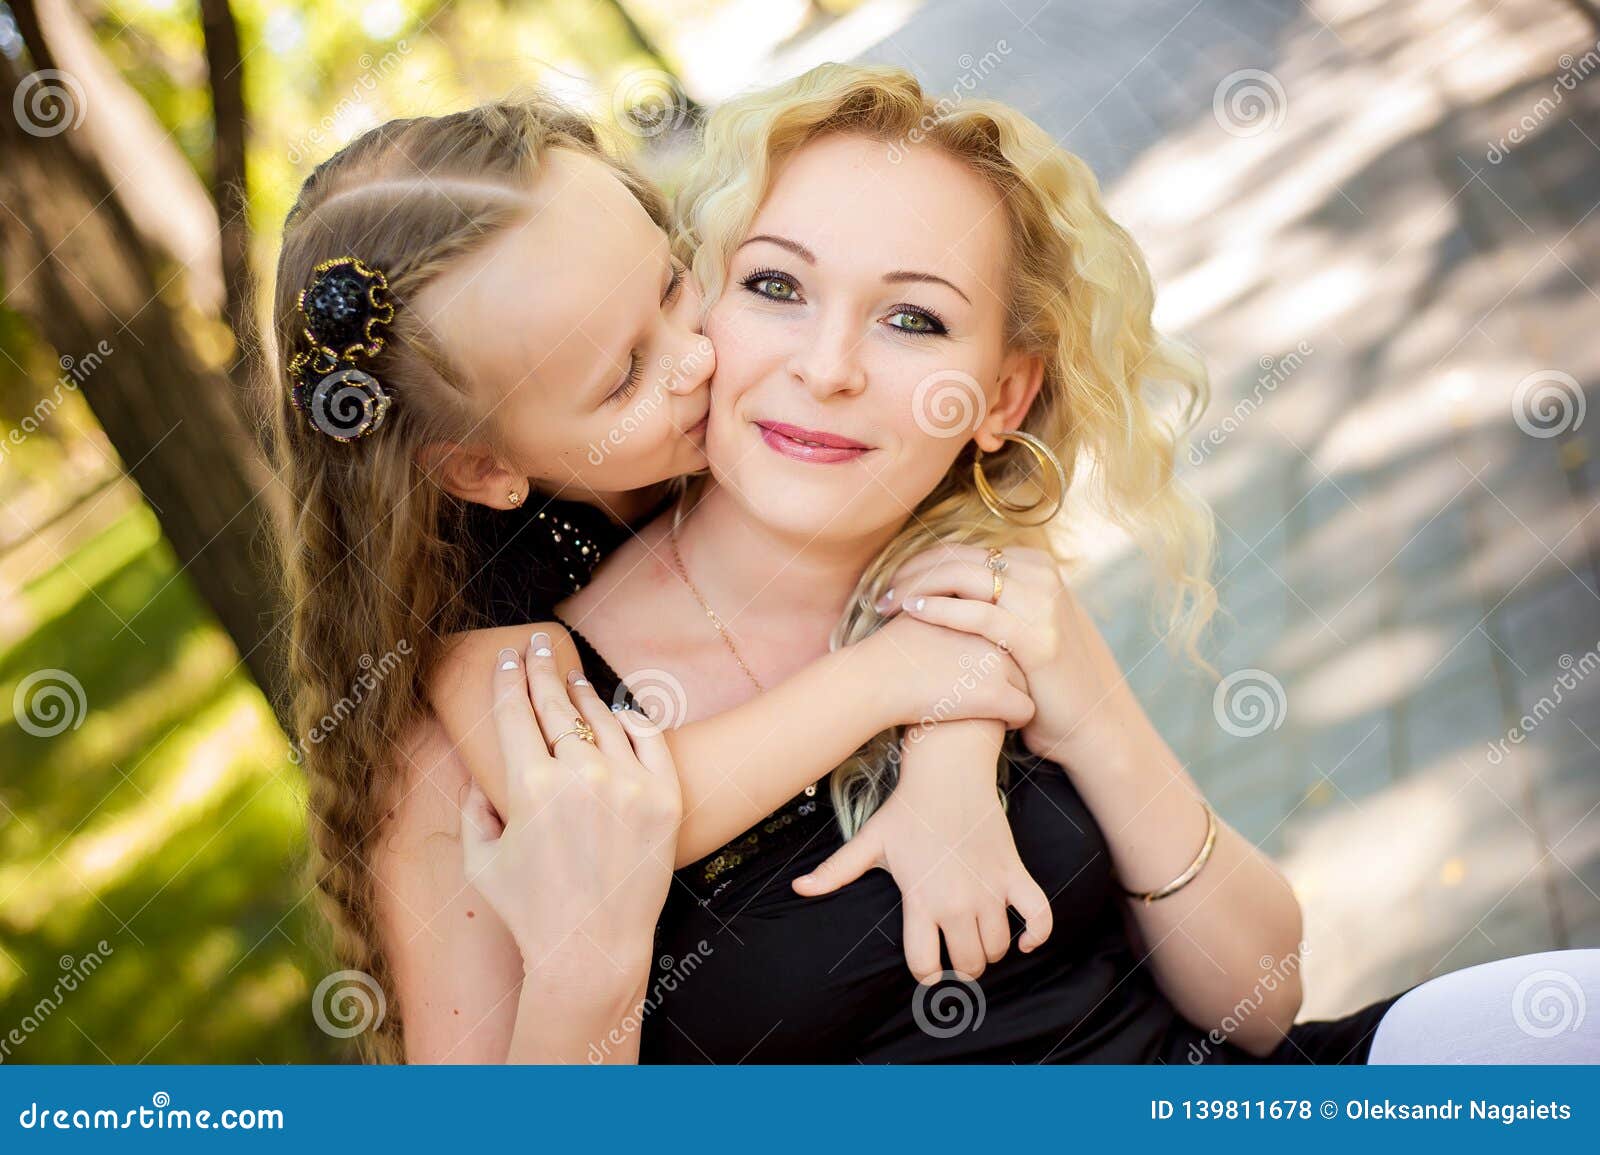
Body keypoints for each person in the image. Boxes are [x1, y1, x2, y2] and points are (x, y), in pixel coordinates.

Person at [431, 63, 1600, 1064]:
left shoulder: (984, 590)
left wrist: (1080, 704)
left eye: (914, 321)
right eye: (776, 287)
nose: (829, 366)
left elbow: (1259, 1002)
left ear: (1000, 397)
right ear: (701, 315)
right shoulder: (522, 699)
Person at [268, 94, 1051, 1064]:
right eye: (623, 376)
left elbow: (967, 552)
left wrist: (949, 755)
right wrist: (884, 678)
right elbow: (614, 814)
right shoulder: (476, 650)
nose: (696, 360)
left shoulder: (748, 471)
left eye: (677, 284)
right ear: (478, 467)